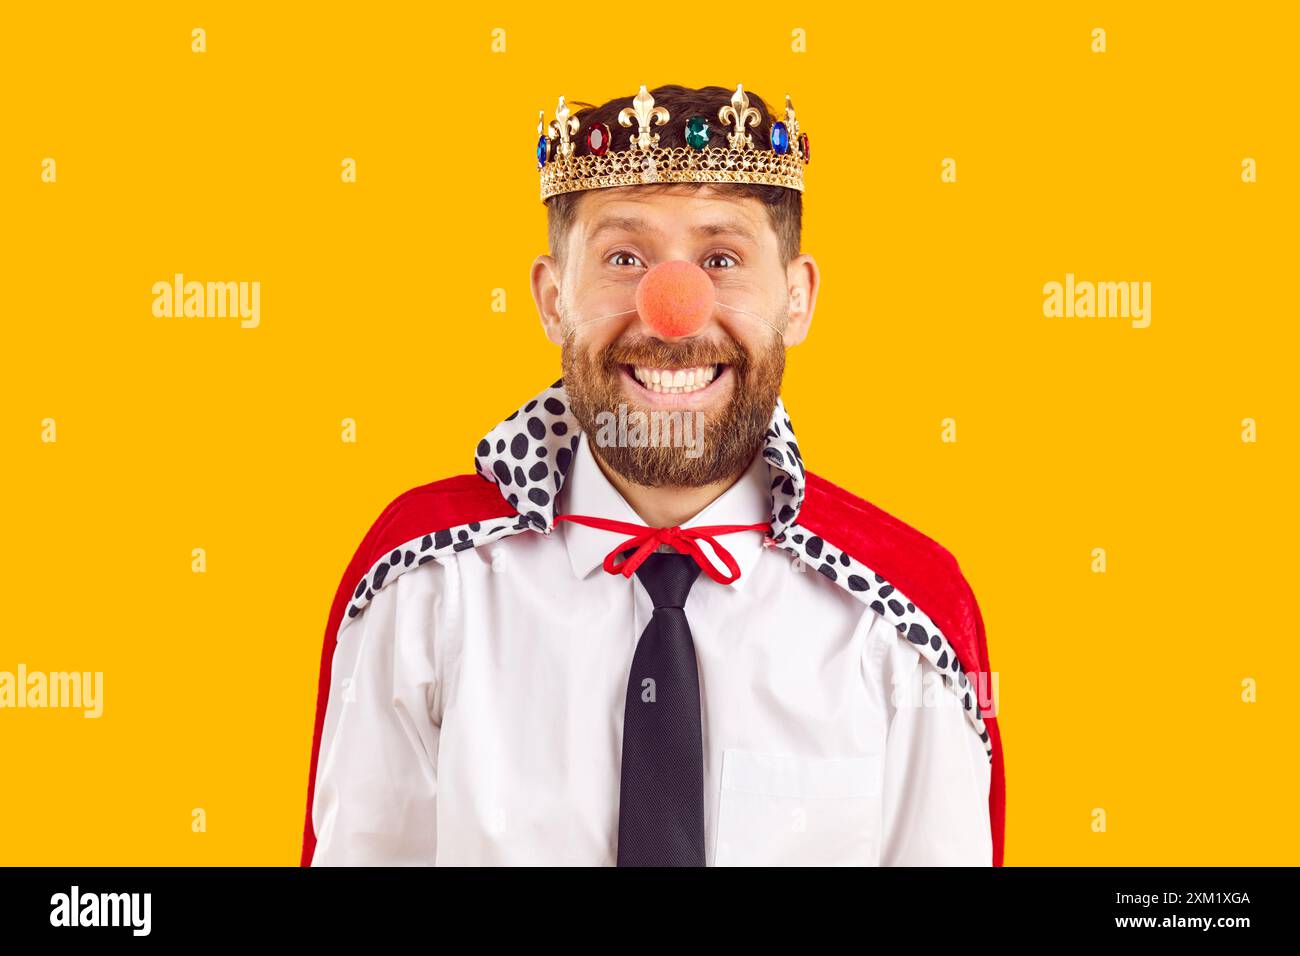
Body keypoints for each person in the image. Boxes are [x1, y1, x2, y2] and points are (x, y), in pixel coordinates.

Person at [300, 82, 1006, 866]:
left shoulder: (906, 624)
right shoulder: (424, 590)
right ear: (552, 299)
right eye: (624, 258)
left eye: (721, 259)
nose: (674, 308)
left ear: (798, 301)